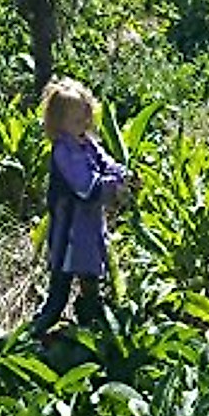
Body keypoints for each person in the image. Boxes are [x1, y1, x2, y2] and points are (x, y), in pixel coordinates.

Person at [28, 77, 130, 340]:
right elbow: (85, 187)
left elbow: (108, 164)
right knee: (60, 286)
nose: (83, 124)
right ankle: (34, 334)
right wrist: (112, 188)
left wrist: (124, 175)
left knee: (91, 279)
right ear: (59, 124)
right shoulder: (64, 151)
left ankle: (90, 330)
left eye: (85, 118)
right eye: (76, 121)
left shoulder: (87, 143)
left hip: (89, 228)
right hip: (69, 228)